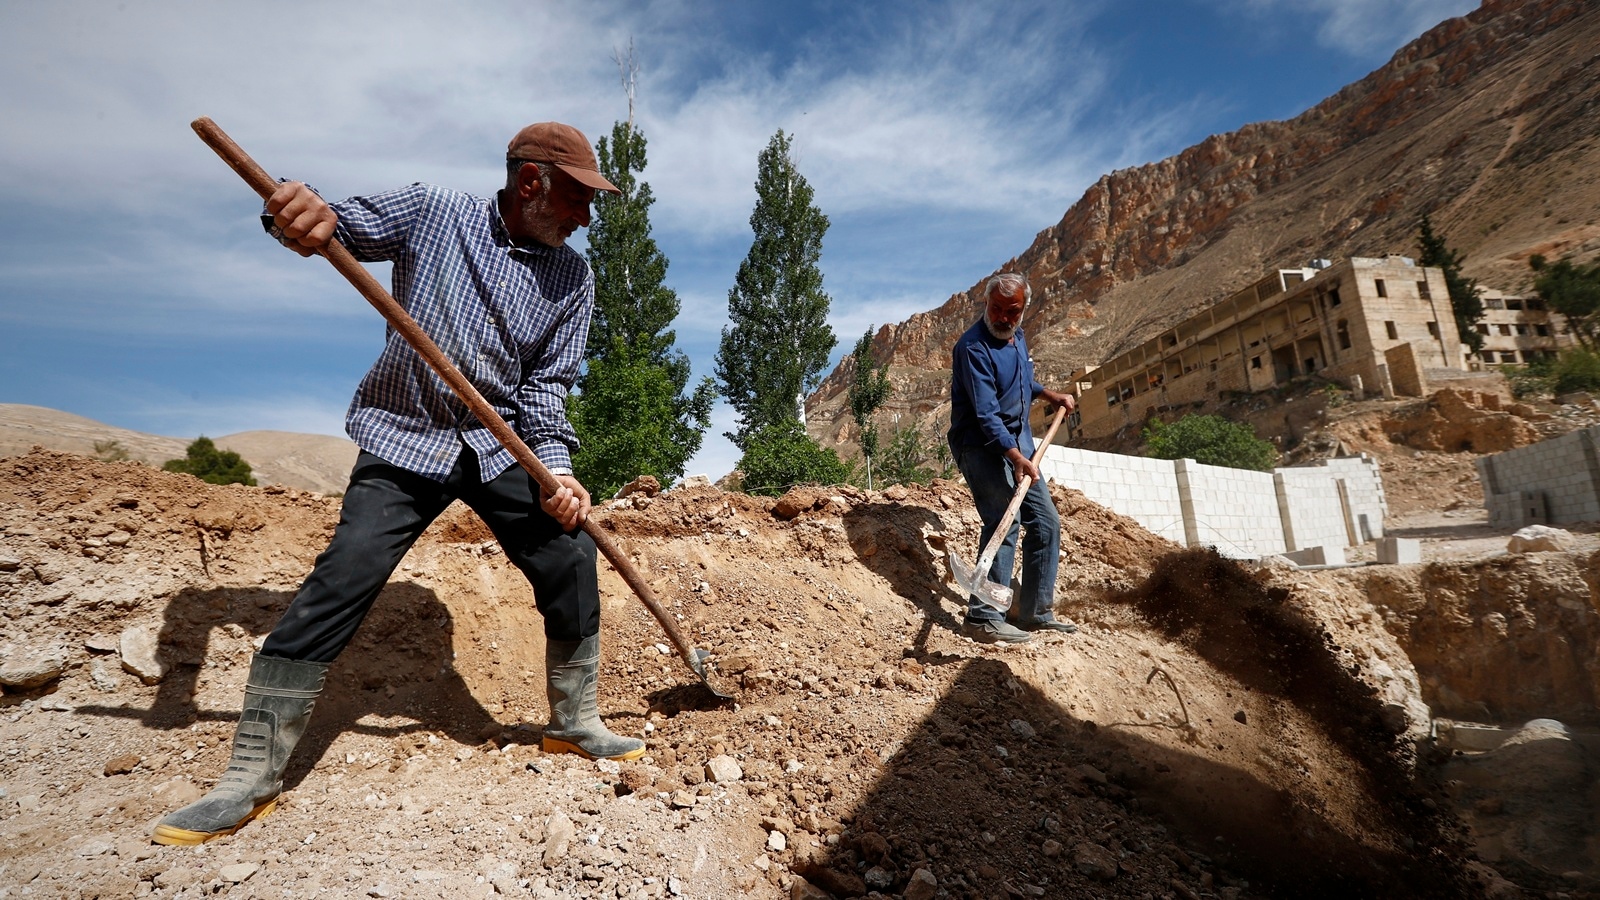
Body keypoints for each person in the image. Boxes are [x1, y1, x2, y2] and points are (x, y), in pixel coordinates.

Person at [153, 122, 643, 846]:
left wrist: (558, 471)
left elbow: (546, 390)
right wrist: (294, 214)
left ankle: (574, 723)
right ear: (531, 181)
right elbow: (333, 225)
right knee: (346, 572)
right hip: (406, 433)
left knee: (570, 557)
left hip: (498, 441)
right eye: (576, 198)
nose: (584, 217)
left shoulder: (573, 278)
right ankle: (249, 778)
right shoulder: (433, 211)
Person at [947, 273, 1078, 644]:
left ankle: (1035, 613)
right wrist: (1016, 456)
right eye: (997, 309)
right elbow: (986, 415)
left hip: (1019, 446)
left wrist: (1050, 395)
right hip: (981, 446)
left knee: (1046, 522)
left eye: (1012, 311)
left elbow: (1021, 382)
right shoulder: (973, 348)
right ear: (986, 304)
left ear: (1023, 310)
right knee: (1004, 519)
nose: (1003, 317)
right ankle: (983, 617)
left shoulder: (1016, 336)